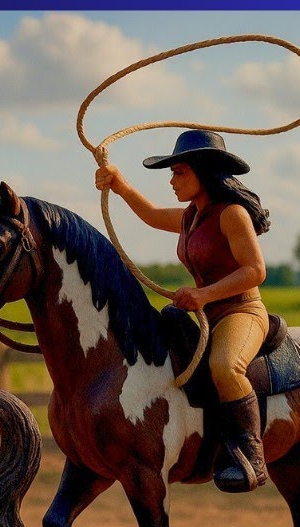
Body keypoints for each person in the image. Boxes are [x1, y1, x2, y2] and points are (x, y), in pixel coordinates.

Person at [95, 129, 272, 493]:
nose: (172, 181)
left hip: (242, 312)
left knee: (225, 366)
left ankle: (252, 454)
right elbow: (150, 215)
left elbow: (255, 271)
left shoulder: (232, 215)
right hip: (207, 313)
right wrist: (119, 184)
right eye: (171, 173)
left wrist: (204, 295)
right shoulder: (192, 216)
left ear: (202, 172)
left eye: (179, 172)